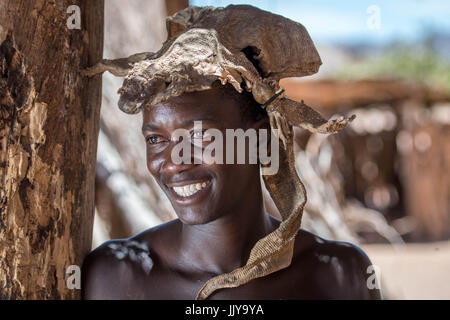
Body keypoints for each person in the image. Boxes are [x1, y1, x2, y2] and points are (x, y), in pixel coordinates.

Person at [81, 5, 381, 300]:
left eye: (199, 136)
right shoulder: (116, 278)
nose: (174, 165)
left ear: (260, 138)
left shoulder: (340, 276)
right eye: (156, 140)